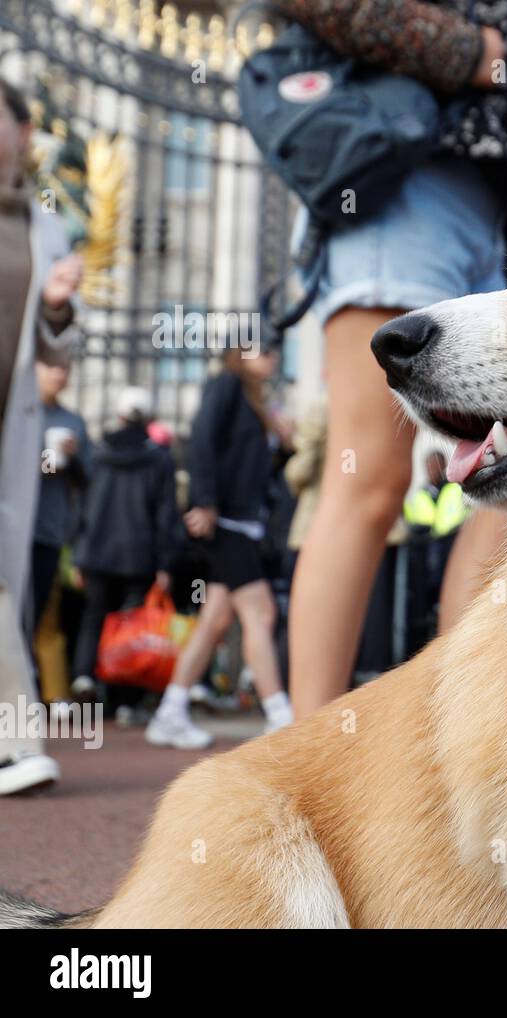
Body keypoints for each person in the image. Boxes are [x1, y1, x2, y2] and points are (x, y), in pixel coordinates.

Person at [264, 0, 507, 719]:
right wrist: (464, 51)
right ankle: (306, 770)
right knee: (369, 477)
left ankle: (465, 734)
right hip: (393, 175)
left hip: (488, 199)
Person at [0, 79, 82, 795]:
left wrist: (57, 311)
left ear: (22, 134)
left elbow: (60, 353)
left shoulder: (44, 225)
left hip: (12, 426)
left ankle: (17, 740)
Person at [152, 349, 293, 748]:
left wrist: (282, 444)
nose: (272, 358)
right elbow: (201, 439)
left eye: (273, 350)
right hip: (226, 519)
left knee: (215, 620)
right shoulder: (227, 383)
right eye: (262, 349)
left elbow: (260, 468)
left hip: (243, 520)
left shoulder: (257, 399)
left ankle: (169, 712)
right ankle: (281, 716)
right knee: (260, 612)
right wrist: (204, 500)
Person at [69, 387, 179, 721]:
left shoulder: (97, 454)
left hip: (98, 550)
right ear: (147, 419)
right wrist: (166, 563)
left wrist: (78, 551)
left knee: (94, 617)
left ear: (117, 415)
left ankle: (84, 677)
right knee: (132, 627)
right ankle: (125, 700)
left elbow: (82, 507)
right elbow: (166, 514)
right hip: (139, 554)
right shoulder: (159, 459)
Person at [30, 360, 89, 706]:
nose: (60, 372)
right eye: (51, 364)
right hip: (15, 529)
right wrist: (43, 462)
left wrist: (72, 459)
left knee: (42, 615)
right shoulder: (19, 414)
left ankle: (52, 696)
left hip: (50, 531)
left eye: (64, 366)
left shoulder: (72, 422)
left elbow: (87, 479)